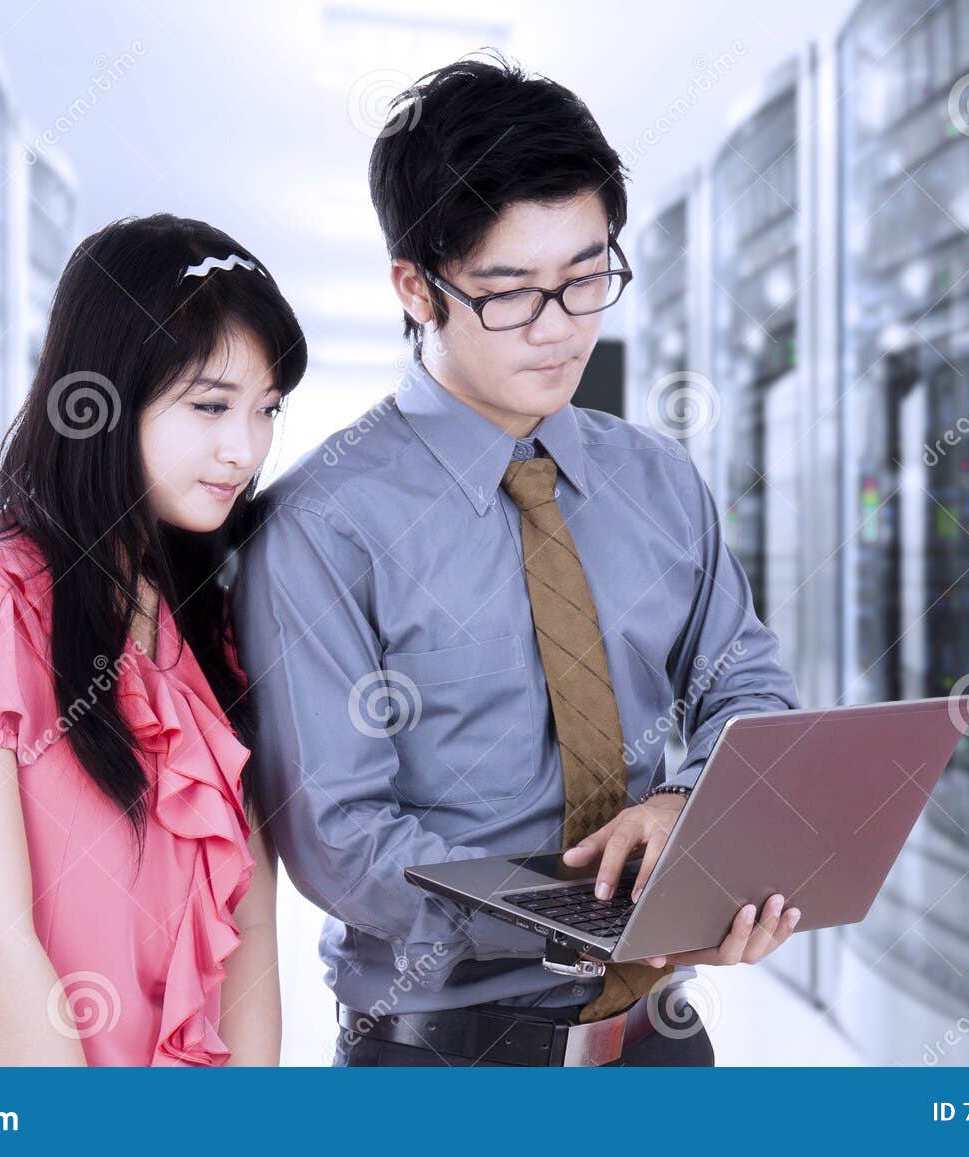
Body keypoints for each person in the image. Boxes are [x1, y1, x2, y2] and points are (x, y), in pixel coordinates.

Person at [235, 54, 802, 1068]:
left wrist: (695, 812)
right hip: (440, 1052)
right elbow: (343, 840)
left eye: (588, 278)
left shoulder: (658, 481)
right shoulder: (324, 524)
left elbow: (747, 683)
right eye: (509, 293)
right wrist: (605, 908)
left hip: (658, 1038)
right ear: (416, 287)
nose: (561, 328)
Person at [0, 214, 305, 1065]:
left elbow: (253, 921)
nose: (244, 448)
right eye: (211, 405)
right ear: (103, 395)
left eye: (266, 409)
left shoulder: (204, 615)